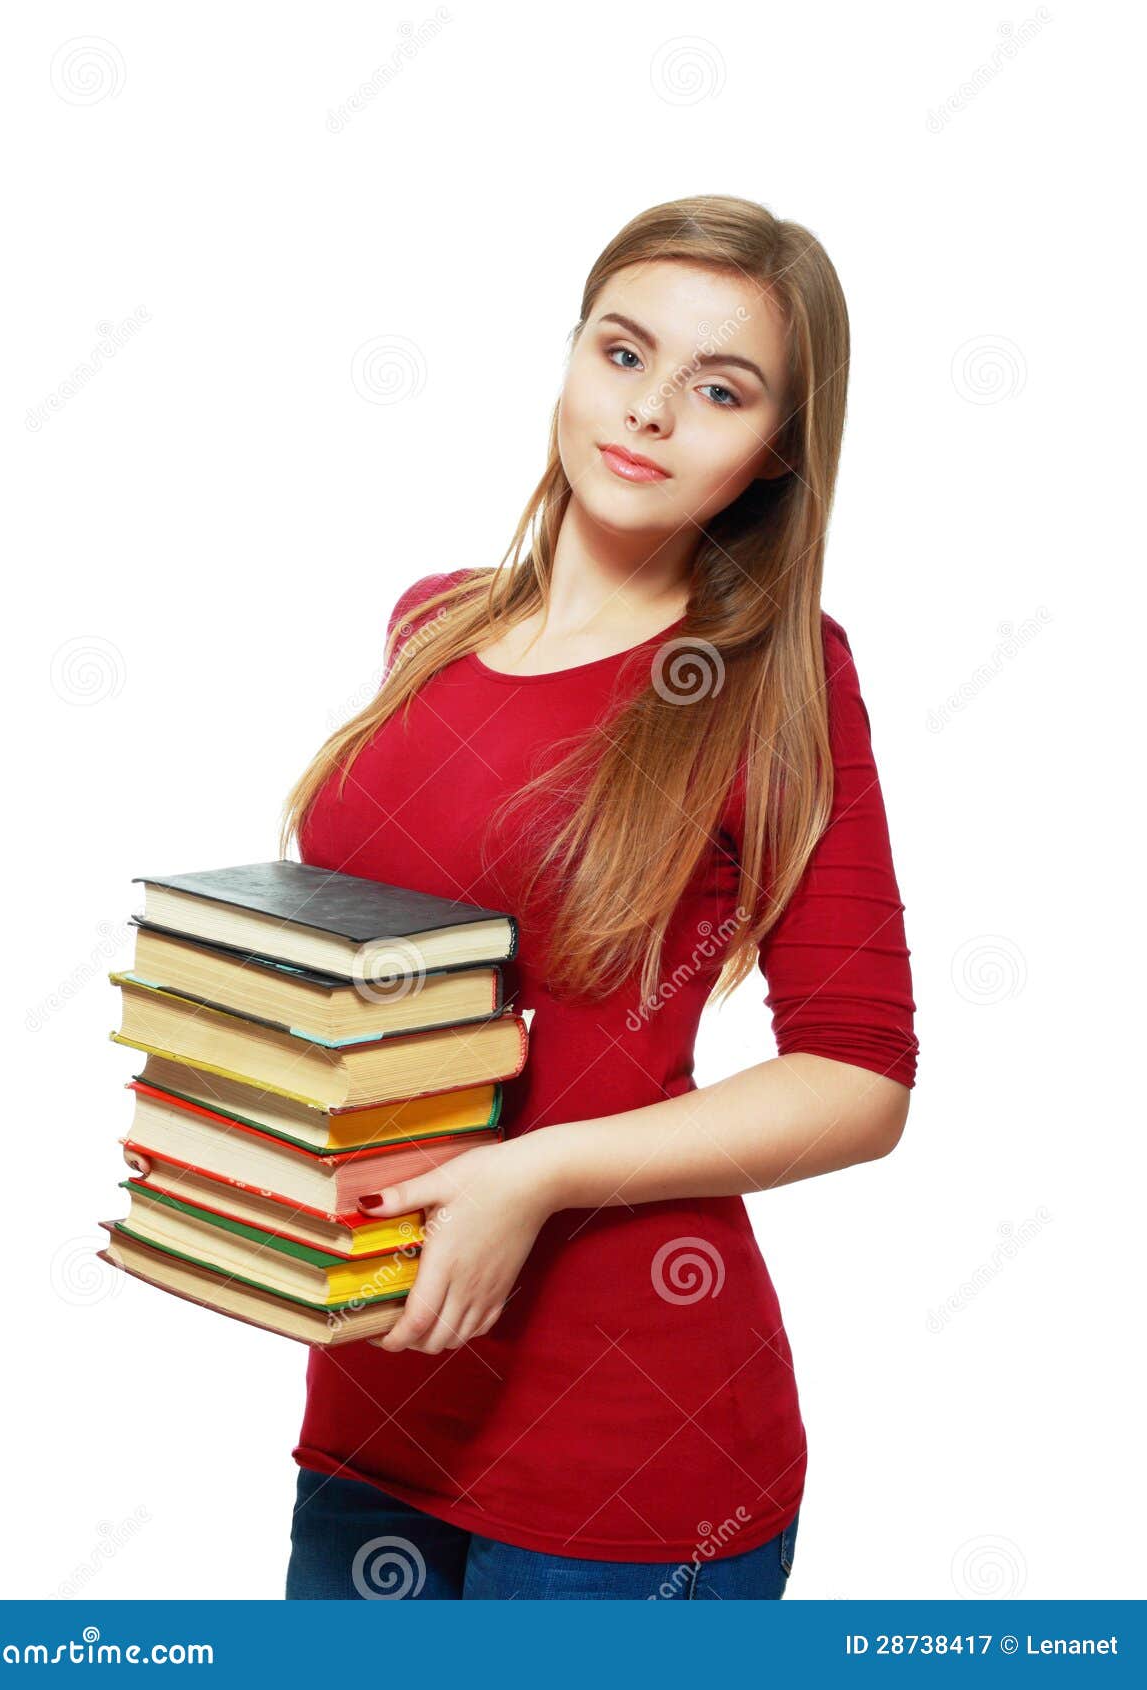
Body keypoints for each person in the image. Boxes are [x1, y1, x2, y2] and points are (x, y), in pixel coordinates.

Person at [280, 193, 918, 1599]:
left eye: (721, 388)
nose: (649, 413)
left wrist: (537, 1169)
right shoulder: (432, 620)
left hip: (631, 1451)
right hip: (378, 1383)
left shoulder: (777, 680)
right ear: (569, 358)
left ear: (774, 453)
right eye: (622, 354)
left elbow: (858, 1073)